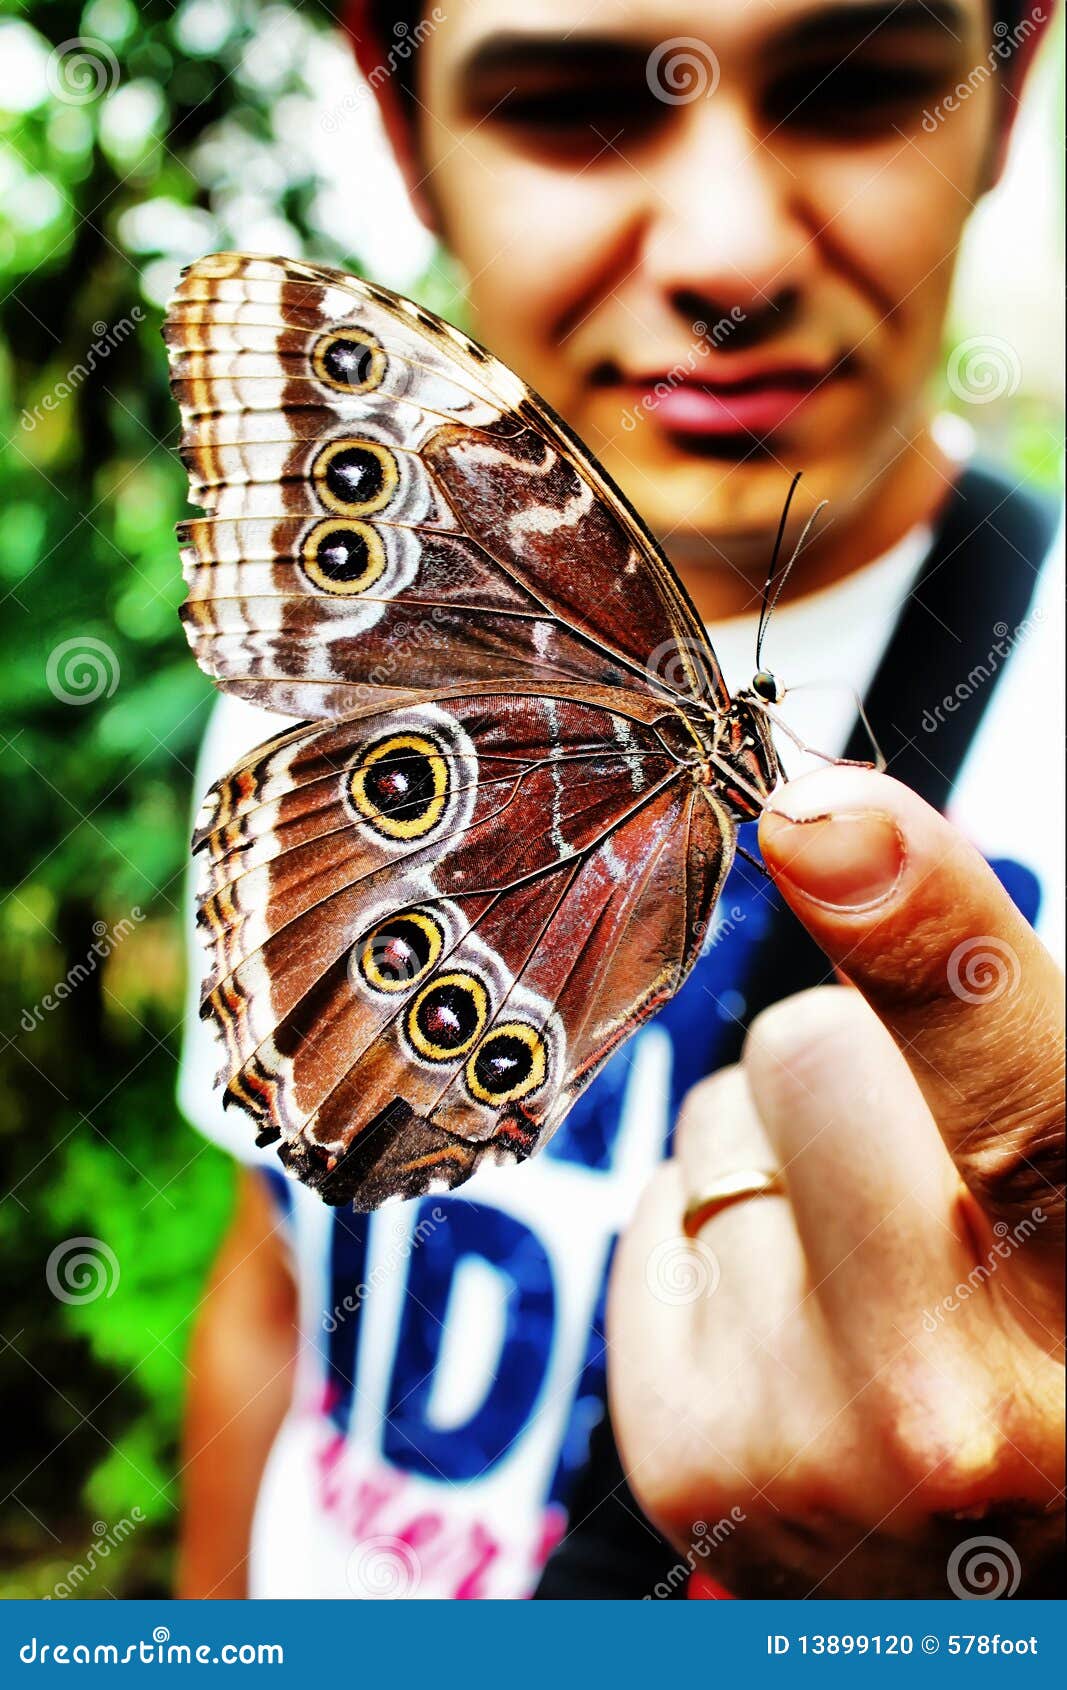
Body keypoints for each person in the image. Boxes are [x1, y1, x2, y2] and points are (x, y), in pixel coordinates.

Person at [175, 0, 1063, 1599]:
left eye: (857, 89)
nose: (729, 256)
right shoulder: (340, 671)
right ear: (402, 126)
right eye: (572, 103)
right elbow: (273, 1282)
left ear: (1010, 95)